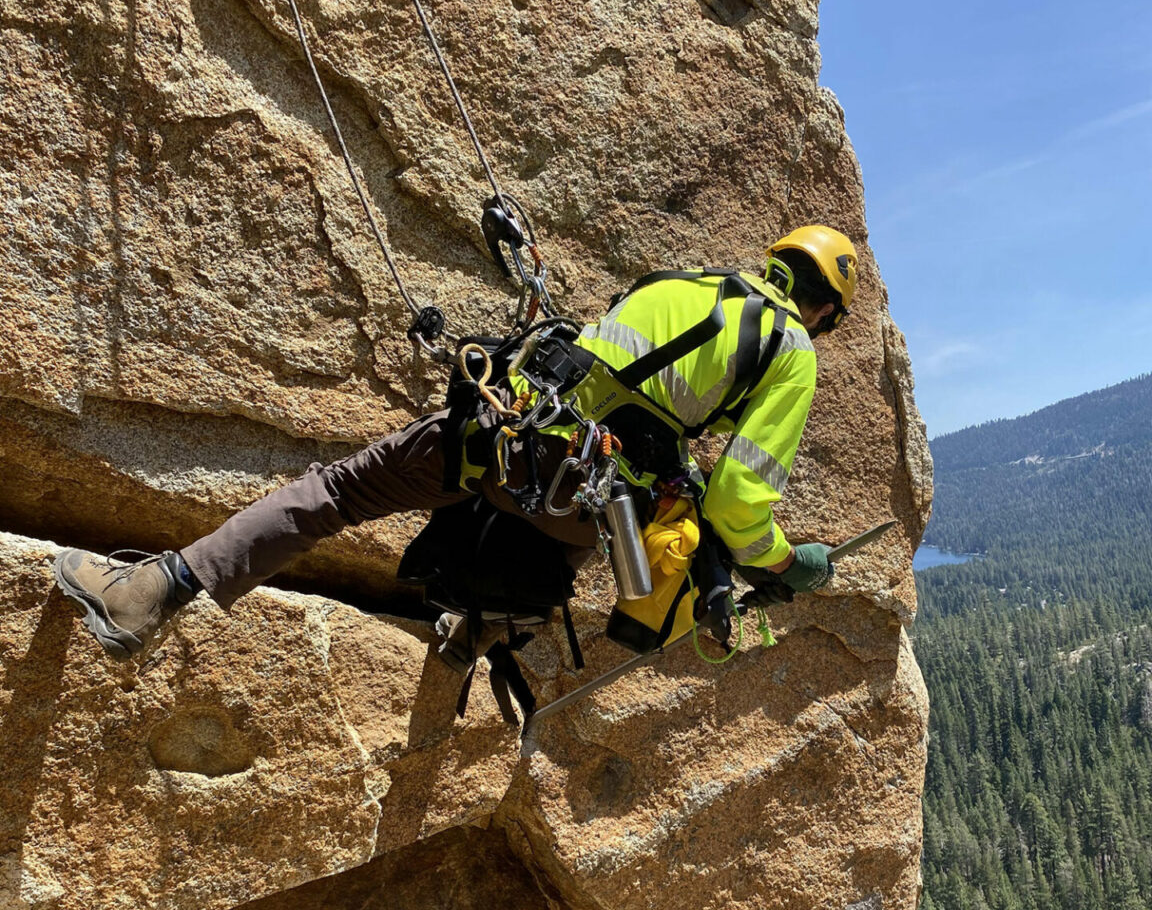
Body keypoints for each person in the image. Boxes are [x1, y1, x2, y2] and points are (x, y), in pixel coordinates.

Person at [53, 225, 858, 660]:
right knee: (581, 540)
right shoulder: (789, 351)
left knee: (335, 494)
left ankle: (156, 592)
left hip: (504, 435)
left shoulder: (673, 284)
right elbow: (741, 499)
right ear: (823, 308)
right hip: (589, 501)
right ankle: (476, 635)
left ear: (775, 262)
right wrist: (789, 565)